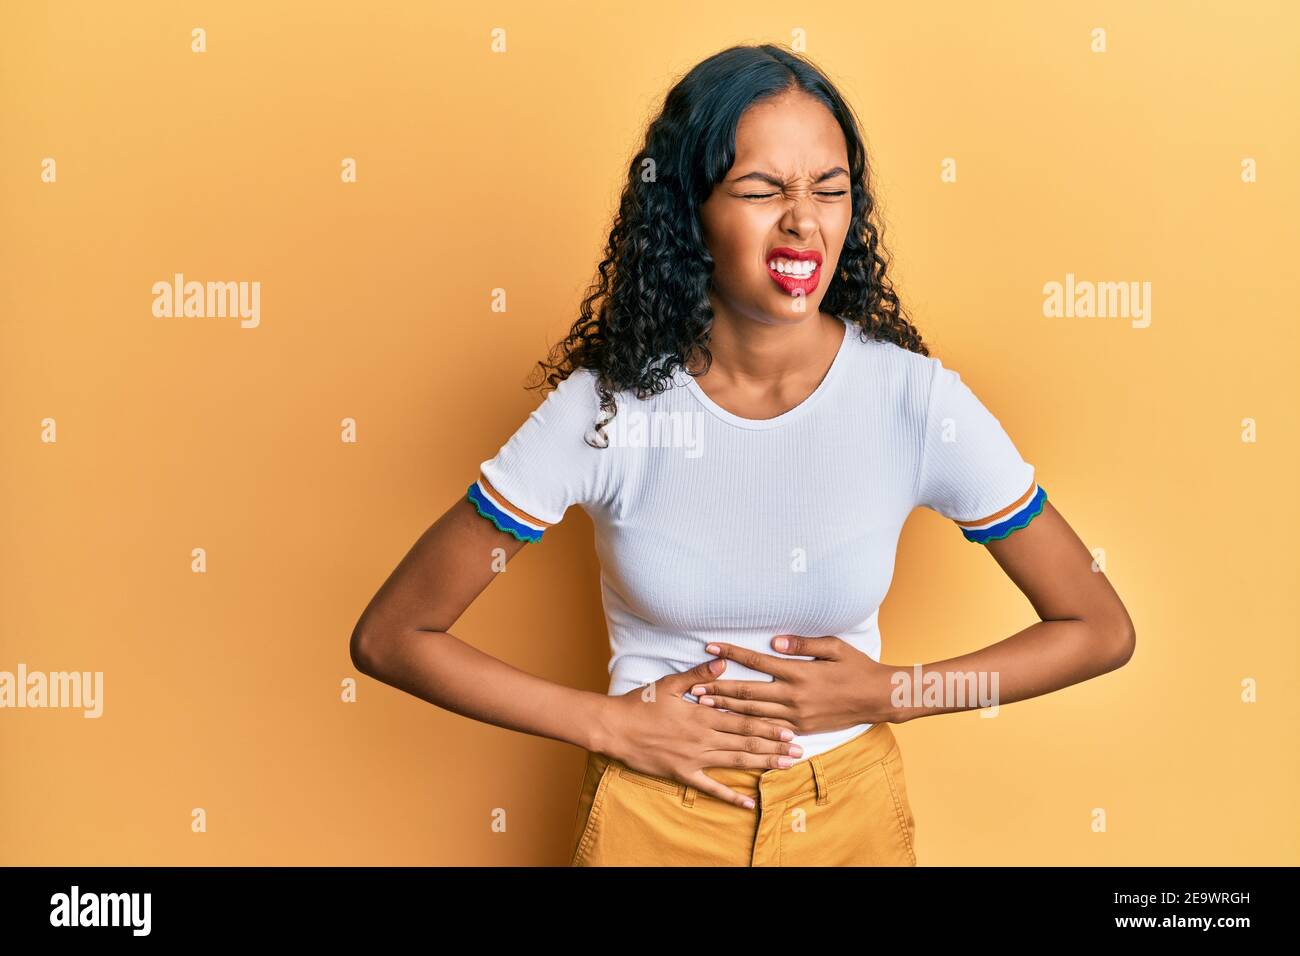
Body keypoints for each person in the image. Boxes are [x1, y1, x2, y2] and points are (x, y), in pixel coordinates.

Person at [350, 44, 1136, 867]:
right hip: (652, 821)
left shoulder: (915, 401)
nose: (804, 220)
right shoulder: (608, 408)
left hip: (851, 817)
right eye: (762, 189)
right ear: (689, 211)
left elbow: (1097, 628)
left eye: (830, 189)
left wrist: (898, 691)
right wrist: (607, 723)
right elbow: (394, 636)